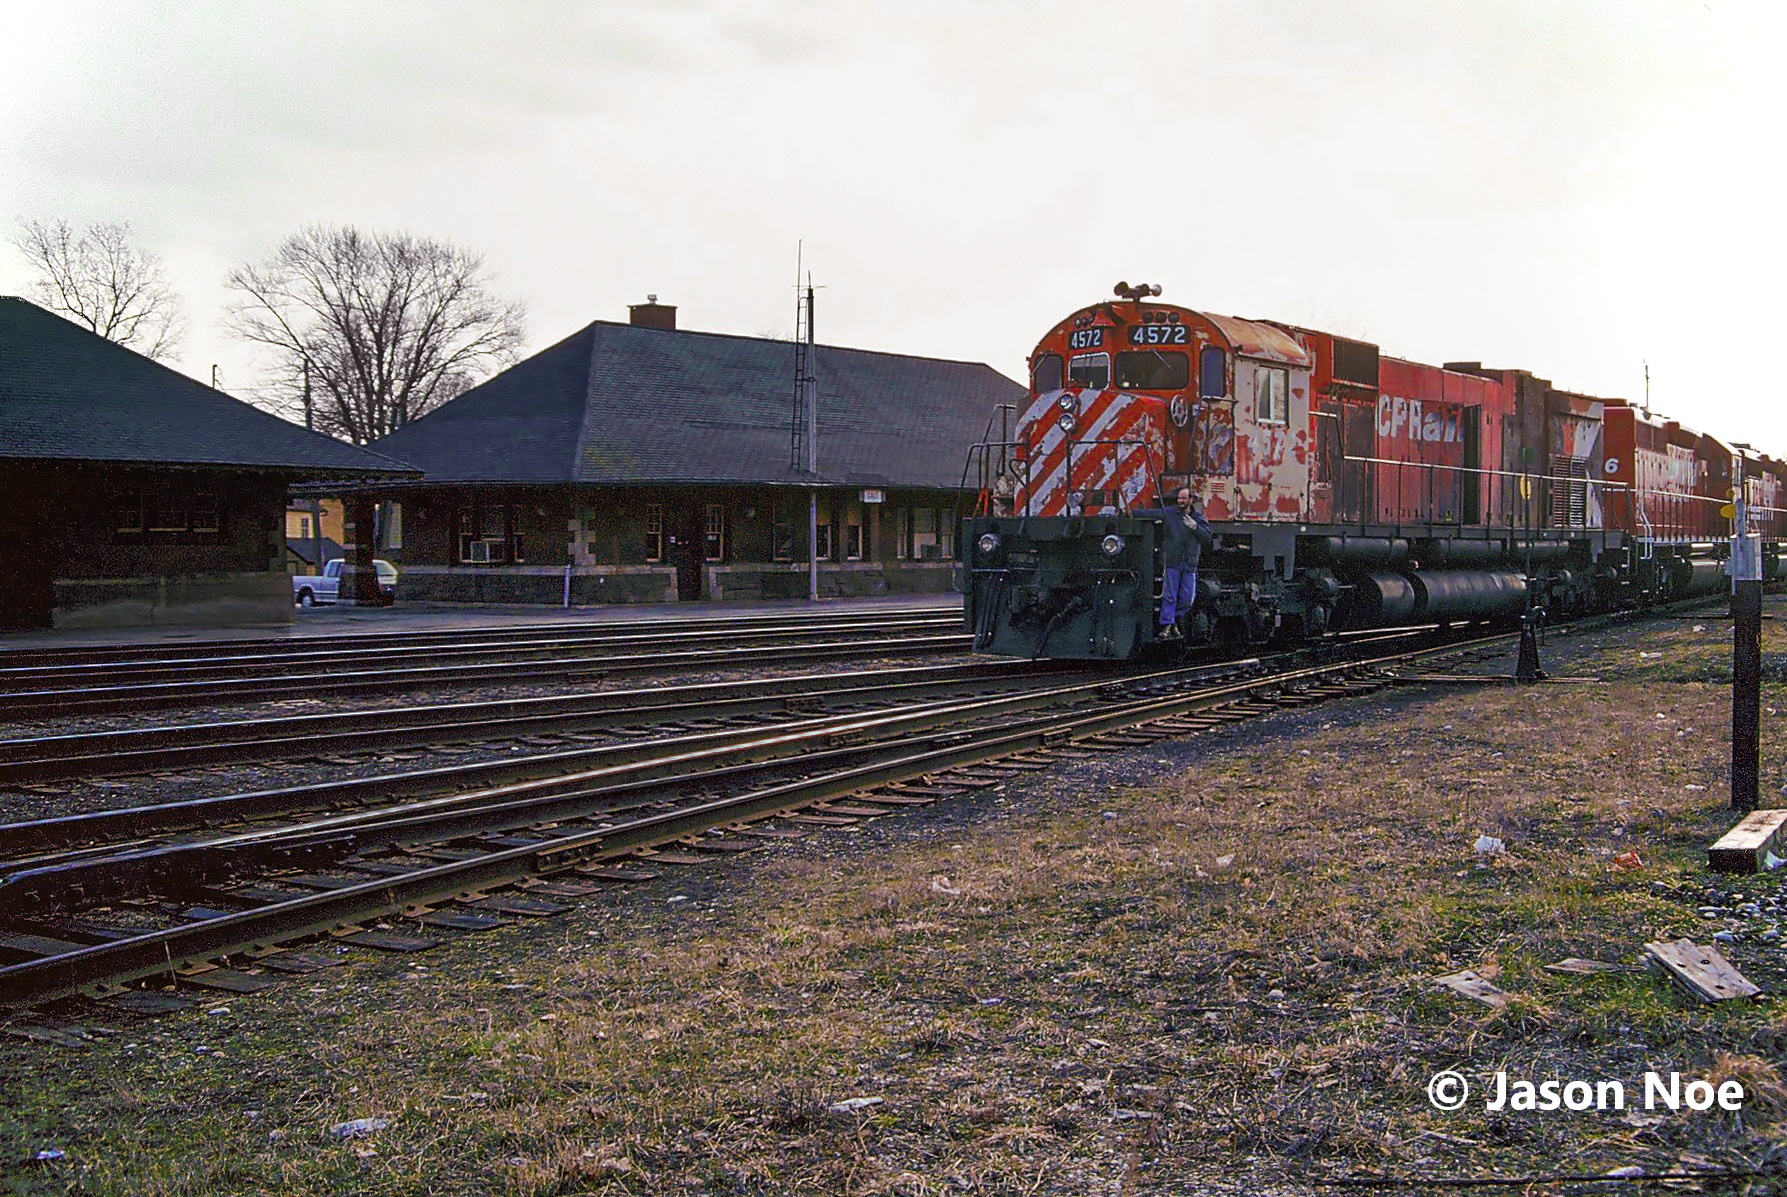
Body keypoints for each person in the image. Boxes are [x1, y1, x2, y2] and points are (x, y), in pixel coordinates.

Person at [1140, 486, 1214, 637]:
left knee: (1187, 598)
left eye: (1184, 498)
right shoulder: (1170, 513)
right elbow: (1151, 514)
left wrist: (1195, 527)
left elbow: (1207, 536)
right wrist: (1130, 513)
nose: (1180, 501)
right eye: (1179, 498)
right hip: (1173, 562)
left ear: (1191, 500)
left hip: (1189, 564)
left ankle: (1173, 620)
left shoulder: (1199, 518)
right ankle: (1166, 625)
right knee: (1169, 595)